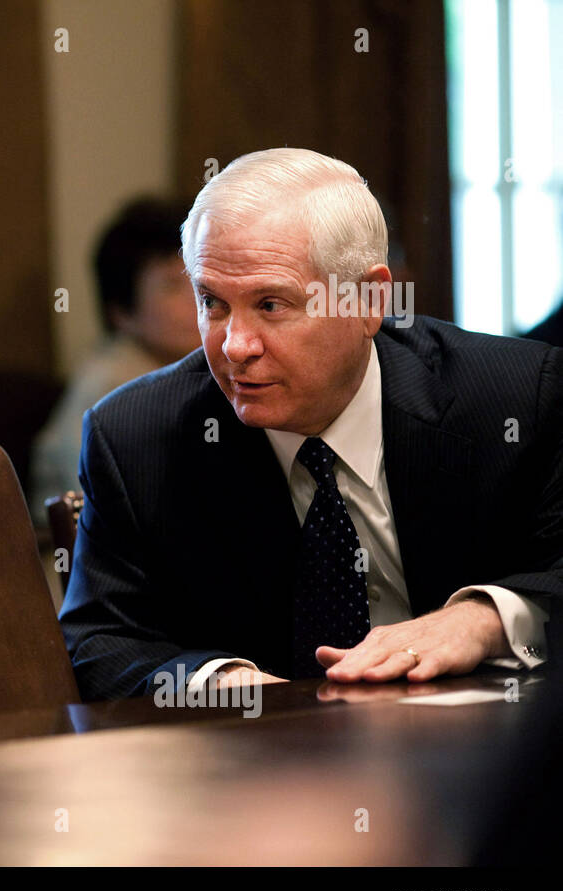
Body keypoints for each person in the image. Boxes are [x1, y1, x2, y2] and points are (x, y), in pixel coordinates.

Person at [61, 147, 561, 700]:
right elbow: (100, 642)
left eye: (271, 305)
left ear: (370, 300)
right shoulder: (136, 436)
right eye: (213, 302)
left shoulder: (518, 399)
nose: (235, 346)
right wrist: (224, 684)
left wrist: (483, 619)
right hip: (259, 746)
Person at [31, 197, 197, 517]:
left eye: (198, 275)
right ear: (122, 311)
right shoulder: (109, 383)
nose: (198, 297)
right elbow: (109, 509)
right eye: (172, 285)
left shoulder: (206, 369)